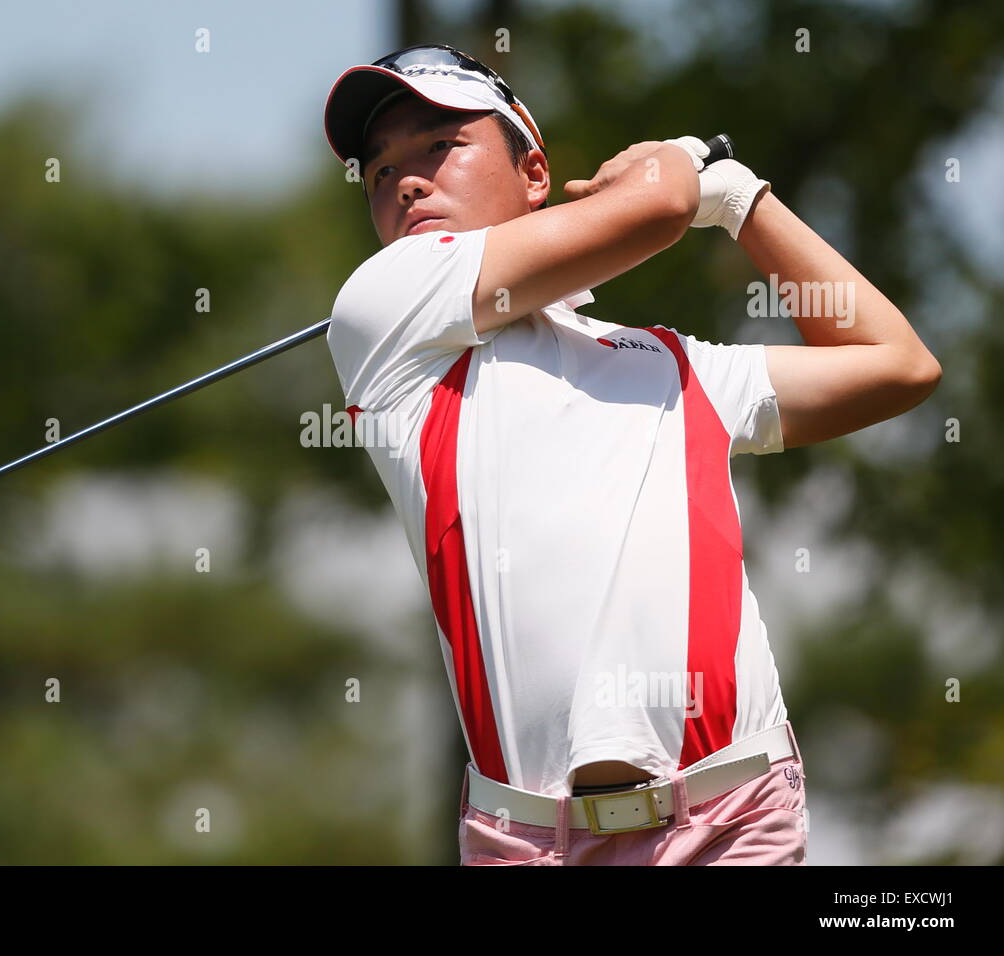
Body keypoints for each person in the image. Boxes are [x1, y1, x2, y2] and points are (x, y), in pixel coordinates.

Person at [321, 44, 941, 865]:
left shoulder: (675, 365)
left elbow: (898, 366)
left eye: (440, 145)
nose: (404, 181)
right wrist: (680, 164)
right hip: (531, 841)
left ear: (534, 172)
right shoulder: (380, 310)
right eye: (378, 171)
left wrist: (744, 203)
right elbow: (652, 210)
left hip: (733, 818)